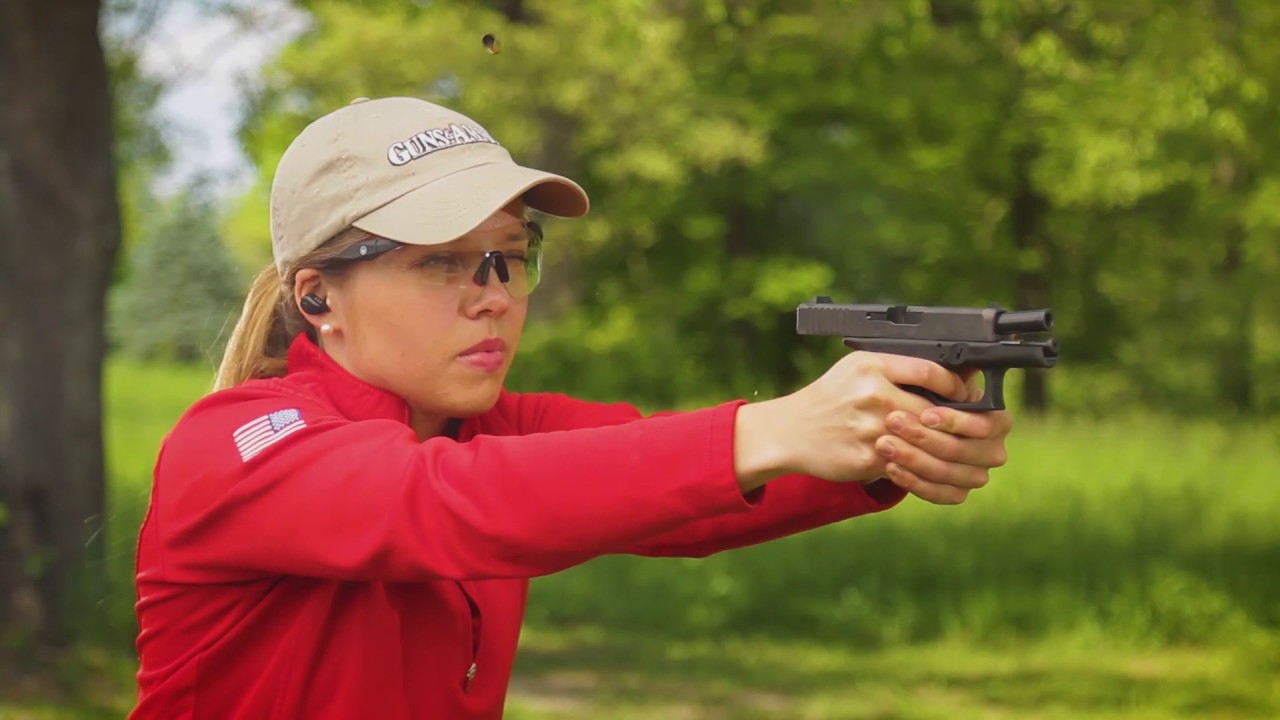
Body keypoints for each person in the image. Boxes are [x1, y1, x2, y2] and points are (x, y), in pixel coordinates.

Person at [129, 95, 1014, 720]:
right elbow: (440, 504)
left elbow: (681, 490)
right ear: (318, 297)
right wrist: (777, 425)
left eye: (511, 256)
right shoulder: (241, 442)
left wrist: (888, 442)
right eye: (442, 261)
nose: (494, 295)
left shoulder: (493, 429)